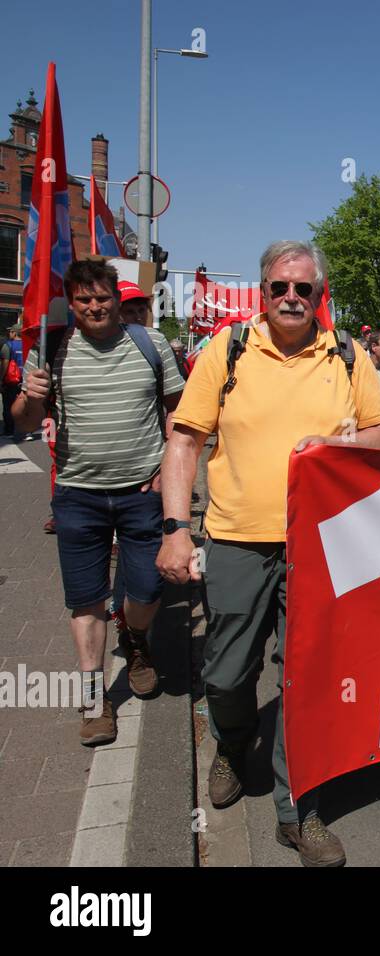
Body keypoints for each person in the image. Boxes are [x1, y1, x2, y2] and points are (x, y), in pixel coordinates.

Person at [157, 240, 380, 867]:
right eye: (279, 287)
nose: (291, 297)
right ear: (263, 292)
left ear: (321, 295)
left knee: (307, 674)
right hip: (236, 537)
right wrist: (176, 528)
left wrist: (340, 443)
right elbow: (184, 441)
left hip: (322, 545)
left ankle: (300, 807)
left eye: (304, 289)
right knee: (227, 671)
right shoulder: (228, 350)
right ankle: (235, 744)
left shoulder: (344, 355)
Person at [12, 259, 185, 746]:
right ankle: (94, 700)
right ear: (71, 301)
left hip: (141, 494)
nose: (93, 306)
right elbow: (24, 423)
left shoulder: (149, 345)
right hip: (77, 497)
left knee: (148, 590)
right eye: (83, 298)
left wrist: (166, 469)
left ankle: (134, 640)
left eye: (102, 297)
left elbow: (178, 414)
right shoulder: (51, 350)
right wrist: (31, 395)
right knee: (85, 601)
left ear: (117, 297)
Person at [2, 326, 24, 438]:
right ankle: (27, 431)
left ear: (14, 333)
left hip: (11, 380)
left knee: (8, 405)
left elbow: (5, 364)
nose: (9, 334)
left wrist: (1, 378)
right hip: (25, 379)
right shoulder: (28, 344)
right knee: (25, 404)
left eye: (10, 332)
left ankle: (9, 431)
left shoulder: (8, 346)